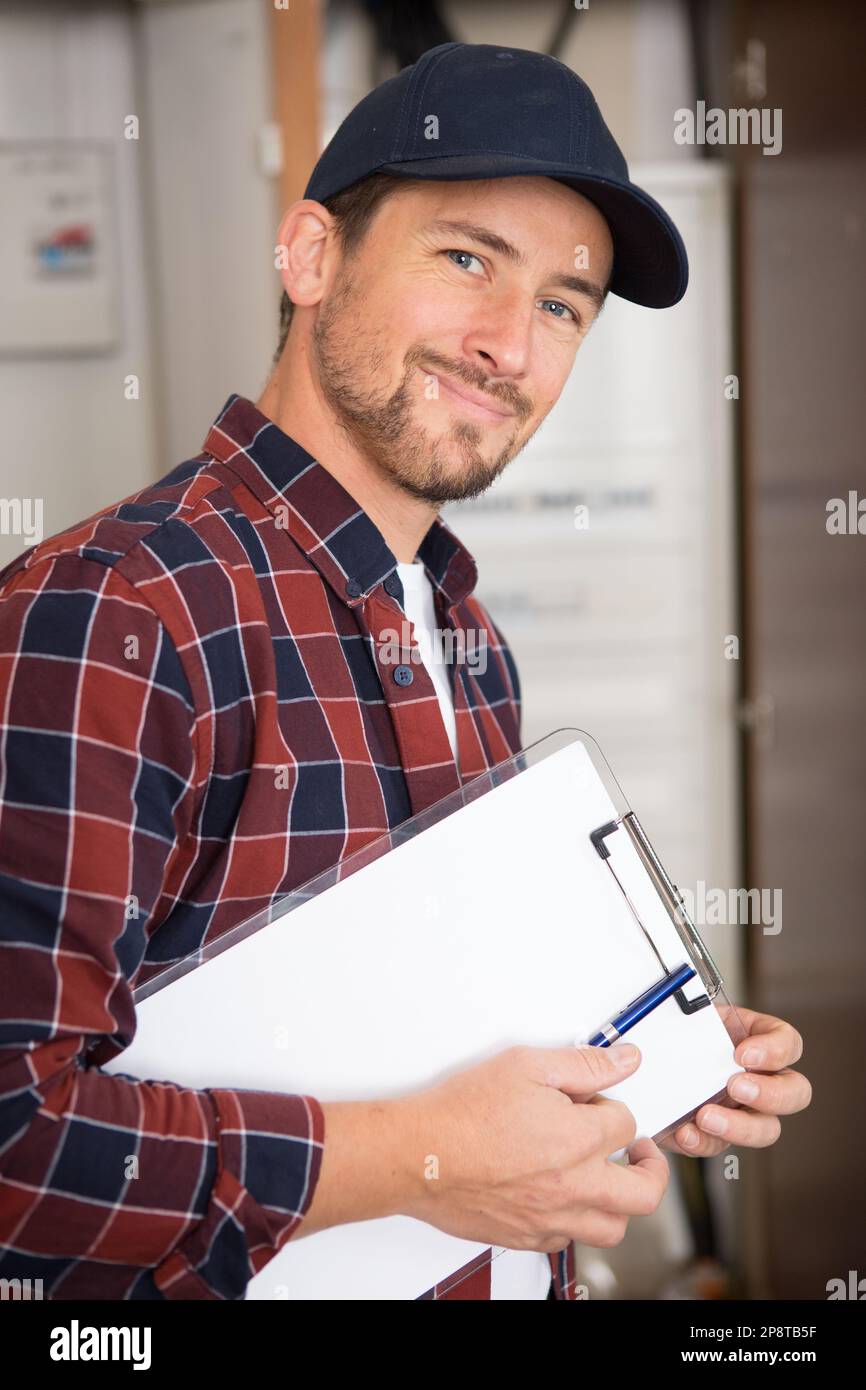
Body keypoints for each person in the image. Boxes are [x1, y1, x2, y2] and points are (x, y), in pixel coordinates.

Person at [0, 42, 810, 1302]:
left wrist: (642, 1055)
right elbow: (14, 1136)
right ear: (311, 255)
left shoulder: (462, 631)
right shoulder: (111, 611)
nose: (508, 345)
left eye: (560, 304)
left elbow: (433, 1020)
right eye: (466, 258)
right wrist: (418, 1162)